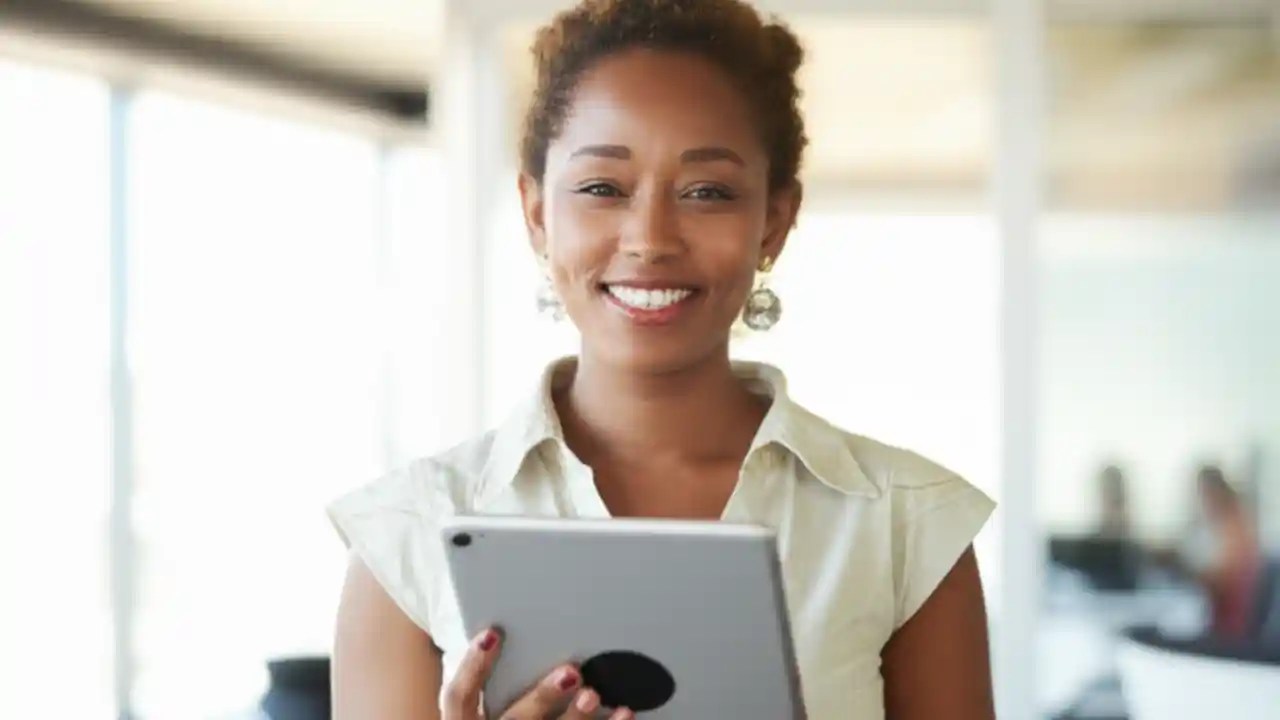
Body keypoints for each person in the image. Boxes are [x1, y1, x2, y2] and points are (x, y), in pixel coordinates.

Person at [328, 1, 996, 718]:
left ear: (774, 219)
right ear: (537, 215)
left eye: (706, 192)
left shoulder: (904, 530)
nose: (650, 238)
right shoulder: (409, 535)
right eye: (601, 189)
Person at [1183, 465, 1262, 640]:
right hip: (1225, 619)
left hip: (1231, 628)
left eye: (1203, 494)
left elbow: (1222, 580)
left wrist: (1190, 574)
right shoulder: (1230, 522)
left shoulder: (1234, 526)